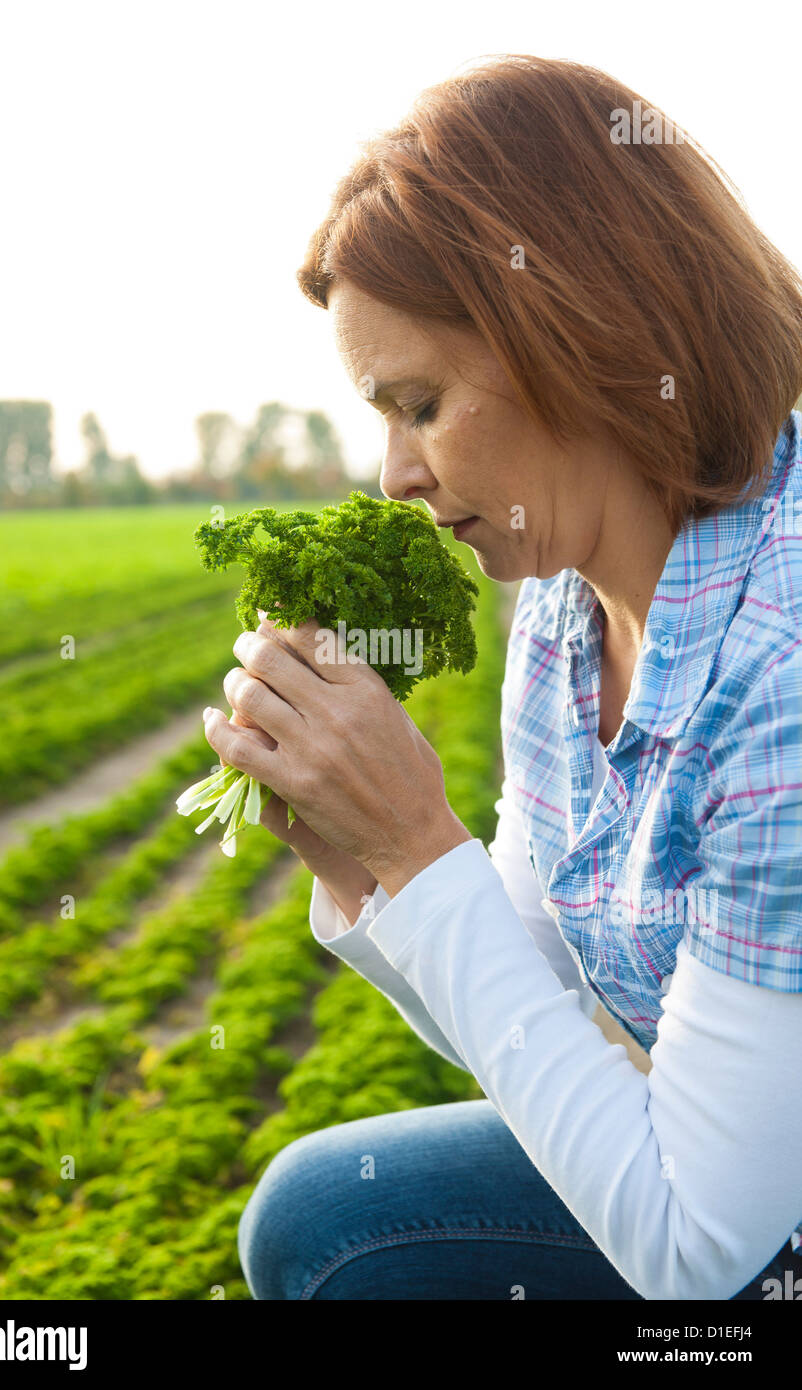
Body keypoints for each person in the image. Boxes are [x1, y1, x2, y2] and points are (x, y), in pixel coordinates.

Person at [204, 55, 802, 1299]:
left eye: (417, 404)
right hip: (730, 1191)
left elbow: (700, 1251)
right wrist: (357, 856)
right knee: (318, 1220)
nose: (392, 477)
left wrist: (423, 843)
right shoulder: (557, 610)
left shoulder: (781, 671)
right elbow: (524, 1006)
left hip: (745, 1227)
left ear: (575, 334)